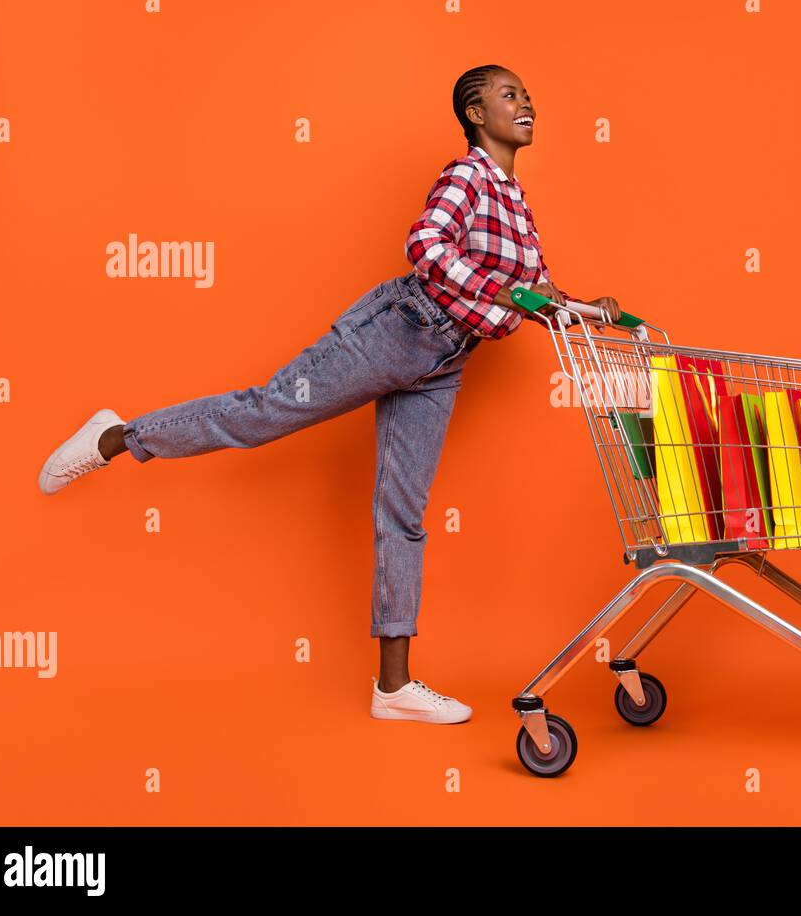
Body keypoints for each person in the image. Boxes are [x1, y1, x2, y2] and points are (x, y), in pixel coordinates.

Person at [36, 64, 624, 725]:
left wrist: (581, 309)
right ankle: (118, 437)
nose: (527, 103)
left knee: (403, 514)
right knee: (260, 414)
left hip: (445, 358)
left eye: (527, 95)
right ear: (475, 115)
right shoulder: (467, 177)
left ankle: (394, 688)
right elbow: (425, 244)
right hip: (400, 330)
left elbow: (534, 289)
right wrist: (503, 293)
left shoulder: (516, 201)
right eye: (509, 95)